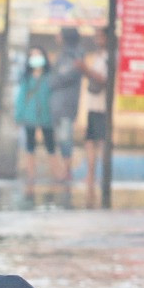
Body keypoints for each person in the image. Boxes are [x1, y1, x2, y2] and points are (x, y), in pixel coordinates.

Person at [14, 46, 54, 186]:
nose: (36, 58)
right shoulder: (26, 78)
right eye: (33, 55)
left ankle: (55, 175)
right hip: (29, 116)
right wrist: (18, 117)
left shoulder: (50, 78)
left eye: (38, 55)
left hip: (47, 116)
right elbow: (21, 98)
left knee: (51, 145)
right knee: (30, 146)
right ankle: (31, 175)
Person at [49, 27, 84, 183]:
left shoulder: (74, 55)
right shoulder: (63, 54)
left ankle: (67, 170)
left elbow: (64, 75)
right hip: (57, 104)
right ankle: (62, 170)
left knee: (65, 137)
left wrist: (52, 81)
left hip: (66, 104)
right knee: (59, 137)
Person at [82, 32, 108, 201]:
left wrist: (86, 70)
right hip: (92, 105)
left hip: (102, 106)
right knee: (90, 141)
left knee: (101, 141)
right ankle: (90, 174)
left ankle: (101, 175)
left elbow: (104, 79)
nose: (96, 39)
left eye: (100, 36)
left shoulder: (108, 57)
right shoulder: (98, 56)